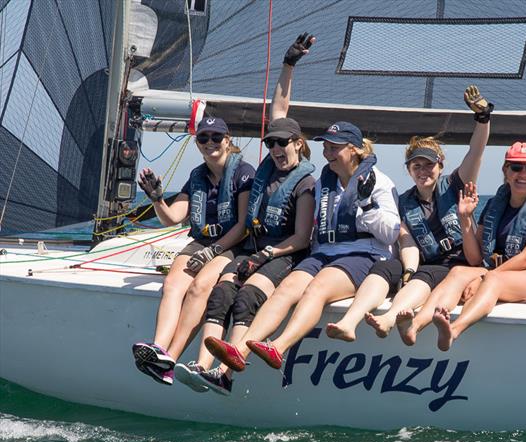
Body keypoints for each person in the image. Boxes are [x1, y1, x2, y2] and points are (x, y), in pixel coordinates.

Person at [203, 32, 401, 374]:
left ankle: (277, 347)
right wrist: (289, 64)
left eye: (335, 146)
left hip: (362, 254)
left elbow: (391, 232)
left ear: (353, 150)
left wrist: (366, 204)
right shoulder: (324, 179)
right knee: (288, 289)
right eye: (326, 145)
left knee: (317, 289)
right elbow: (279, 114)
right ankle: (237, 352)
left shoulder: (378, 182)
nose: (327, 150)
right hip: (324, 252)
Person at [325, 85, 492, 342]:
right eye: (417, 166)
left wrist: (482, 118)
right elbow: (406, 241)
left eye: (429, 165)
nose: (423, 170)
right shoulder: (403, 202)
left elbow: (476, 152)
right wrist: (408, 271)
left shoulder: (455, 185)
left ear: (440, 166)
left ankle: (391, 318)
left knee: (426, 274)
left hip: (457, 265)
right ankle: (349, 321)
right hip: (425, 264)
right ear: (409, 169)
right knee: (387, 267)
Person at [173, 115, 316, 395]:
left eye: (282, 143)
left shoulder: (305, 183)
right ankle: (203, 368)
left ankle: (225, 375)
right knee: (222, 293)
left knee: (247, 297)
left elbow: (301, 238)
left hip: (285, 253)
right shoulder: (265, 174)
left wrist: (268, 254)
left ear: (298, 144)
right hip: (254, 250)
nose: (276, 149)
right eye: (271, 143)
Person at [397, 142, 526, 351]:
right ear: (505, 171)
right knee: (457, 272)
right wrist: (464, 219)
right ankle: (415, 326)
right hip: (501, 273)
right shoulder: (494, 205)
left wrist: (482, 279)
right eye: (516, 167)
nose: (522, 173)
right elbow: (475, 258)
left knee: (493, 278)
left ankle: (454, 330)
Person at [132, 117, 254, 385]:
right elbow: (173, 218)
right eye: (203, 138)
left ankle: (171, 358)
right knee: (174, 283)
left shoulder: (243, 173)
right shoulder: (197, 176)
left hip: (233, 244)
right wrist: (157, 199)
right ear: (197, 143)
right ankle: (159, 350)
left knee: (200, 287)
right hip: (202, 242)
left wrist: (213, 253)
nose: (210, 143)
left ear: (227, 139)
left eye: (216, 137)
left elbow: (244, 225)